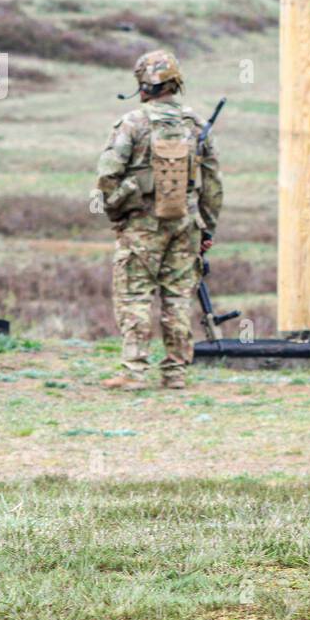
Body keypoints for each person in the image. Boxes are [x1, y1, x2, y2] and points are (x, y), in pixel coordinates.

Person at [97, 50, 222, 392]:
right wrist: (206, 228)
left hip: (141, 226)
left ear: (142, 85)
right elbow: (212, 184)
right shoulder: (196, 126)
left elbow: (107, 176)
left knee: (135, 297)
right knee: (177, 298)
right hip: (187, 225)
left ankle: (134, 373)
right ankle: (175, 373)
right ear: (175, 83)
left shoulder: (133, 123)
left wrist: (119, 212)